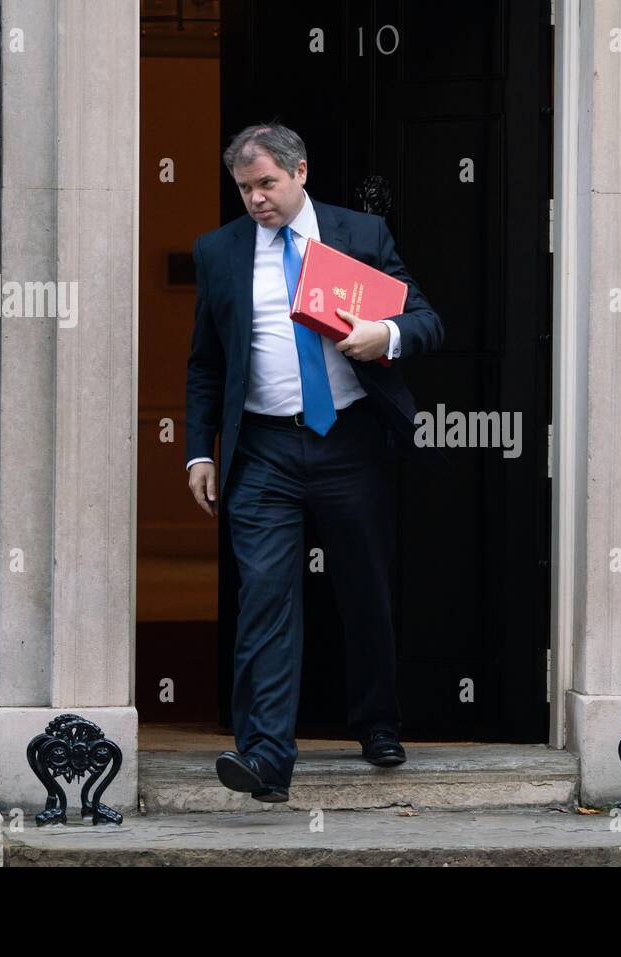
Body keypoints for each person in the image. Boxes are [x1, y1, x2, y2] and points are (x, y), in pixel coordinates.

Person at [184, 122, 444, 802]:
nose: (256, 199)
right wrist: (197, 453)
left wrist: (381, 333)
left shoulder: (360, 234)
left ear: (301, 172)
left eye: (267, 183)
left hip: (349, 440)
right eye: (244, 188)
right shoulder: (219, 251)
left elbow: (426, 320)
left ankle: (378, 722)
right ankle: (266, 755)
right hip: (263, 449)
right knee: (265, 597)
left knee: (364, 586)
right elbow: (206, 365)